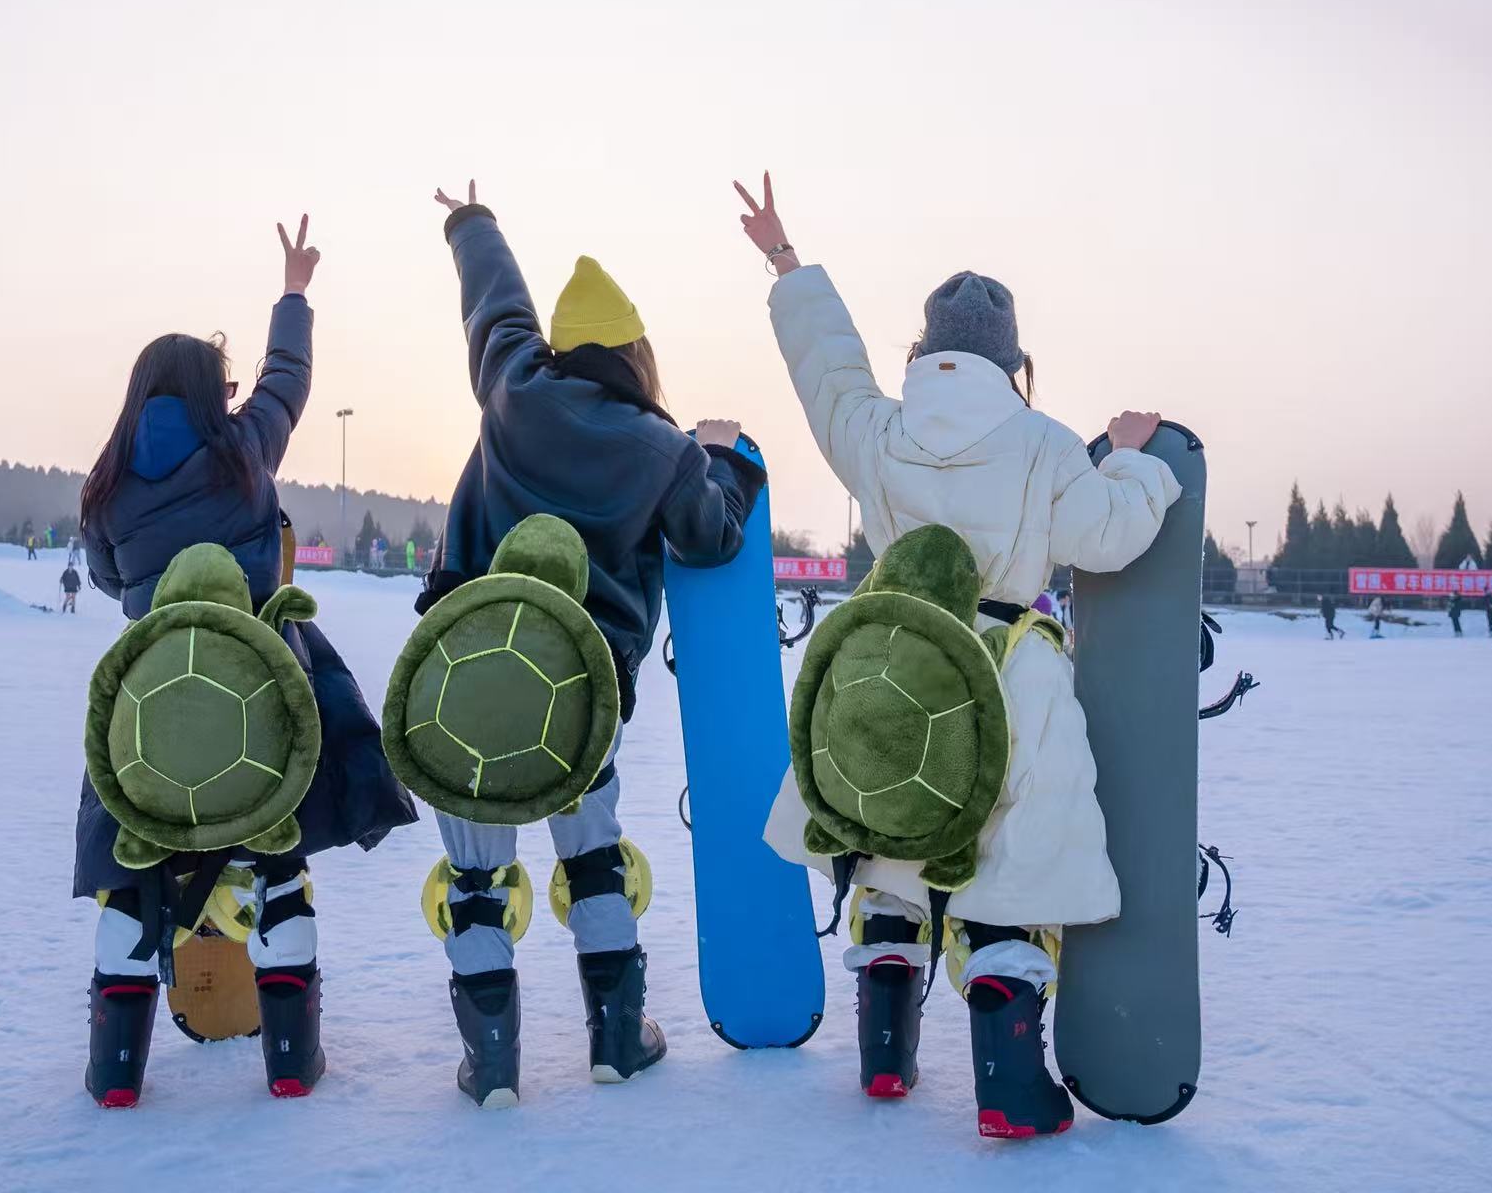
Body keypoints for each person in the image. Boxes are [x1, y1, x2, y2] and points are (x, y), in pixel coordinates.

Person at [733, 172, 1178, 1139]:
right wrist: (1138, 460)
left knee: (893, 834)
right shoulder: (1044, 441)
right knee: (1011, 862)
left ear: (923, 355)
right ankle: (1010, 1087)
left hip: (891, 656)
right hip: (1009, 667)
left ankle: (886, 1055)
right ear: (1013, 364)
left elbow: (827, 369)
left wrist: (786, 261)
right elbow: (1107, 537)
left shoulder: (878, 431)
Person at [415, 182, 766, 1108]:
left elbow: (496, 302)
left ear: (564, 348)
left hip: (462, 677)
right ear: (638, 355)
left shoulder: (516, 385)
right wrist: (723, 457)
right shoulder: (661, 448)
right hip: (582, 696)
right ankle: (616, 1037)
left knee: (478, 873)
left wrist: (473, 223)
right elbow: (713, 536)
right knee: (592, 855)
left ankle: (492, 1063)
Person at [76, 212, 413, 1109]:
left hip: (149, 712)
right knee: (279, 857)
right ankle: (293, 1062)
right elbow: (288, 381)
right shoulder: (242, 453)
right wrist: (294, 291)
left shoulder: (106, 488)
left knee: (129, 870)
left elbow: (110, 582)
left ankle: (115, 1072)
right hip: (267, 689)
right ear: (207, 394)